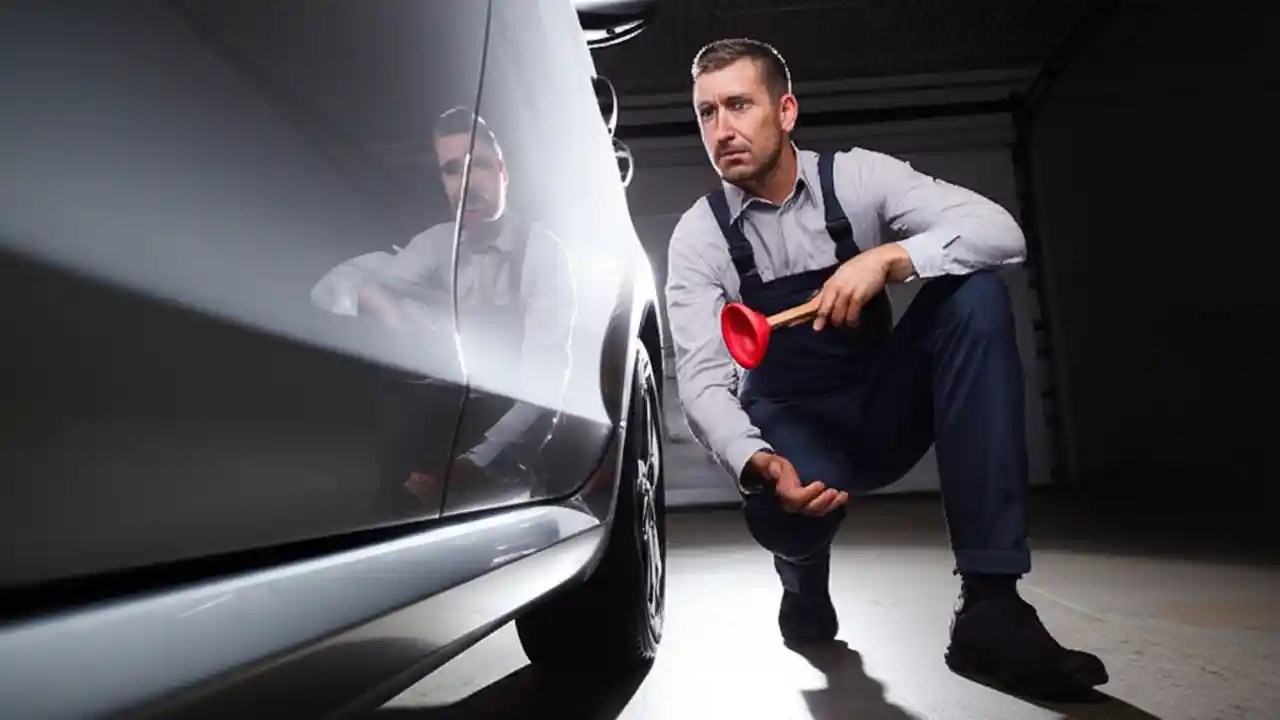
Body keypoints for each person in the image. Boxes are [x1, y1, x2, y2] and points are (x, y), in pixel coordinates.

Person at [664, 38, 1108, 698]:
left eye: (738, 105)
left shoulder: (860, 180)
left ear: (785, 111)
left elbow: (1001, 233)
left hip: (882, 410)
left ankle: (990, 605)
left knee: (975, 294)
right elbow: (702, 381)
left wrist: (890, 258)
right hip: (796, 432)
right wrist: (757, 462)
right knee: (782, 513)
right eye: (706, 113)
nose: (721, 129)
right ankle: (803, 577)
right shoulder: (700, 236)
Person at [311, 107, 575, 505]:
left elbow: (544, 387)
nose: (466, 184)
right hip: (441, 426)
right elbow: (332, 286)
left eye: (479, 166)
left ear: (503, 172)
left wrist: (472, 464)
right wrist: (383, 306)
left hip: (511, 444)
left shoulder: (542, 253)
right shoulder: (435, 245)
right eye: (452, 170)